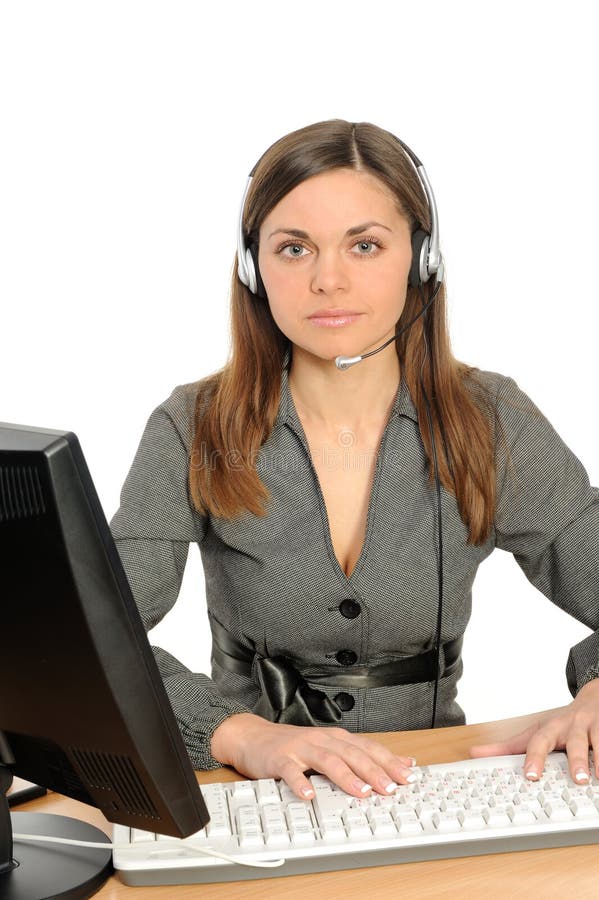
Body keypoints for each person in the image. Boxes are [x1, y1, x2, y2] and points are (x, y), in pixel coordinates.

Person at [109, 119, 599, 803]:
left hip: (428, 792)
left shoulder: (489, 420)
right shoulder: (192, 428)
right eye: (293, 249)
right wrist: (234, 731)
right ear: (253, 268)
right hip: (248, 796)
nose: (327, 279)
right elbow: (96, 642)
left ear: (420, 260)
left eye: (363, 245)